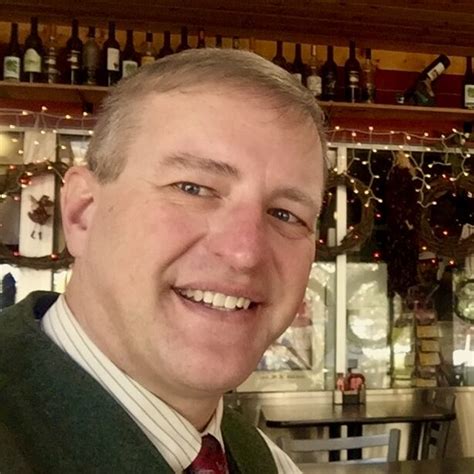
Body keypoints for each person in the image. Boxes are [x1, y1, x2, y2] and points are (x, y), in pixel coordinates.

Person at [0, 48, 327, 473]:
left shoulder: (270, 463)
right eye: (193, 188)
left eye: (285, 214)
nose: (245, 253)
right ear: (83, 212)